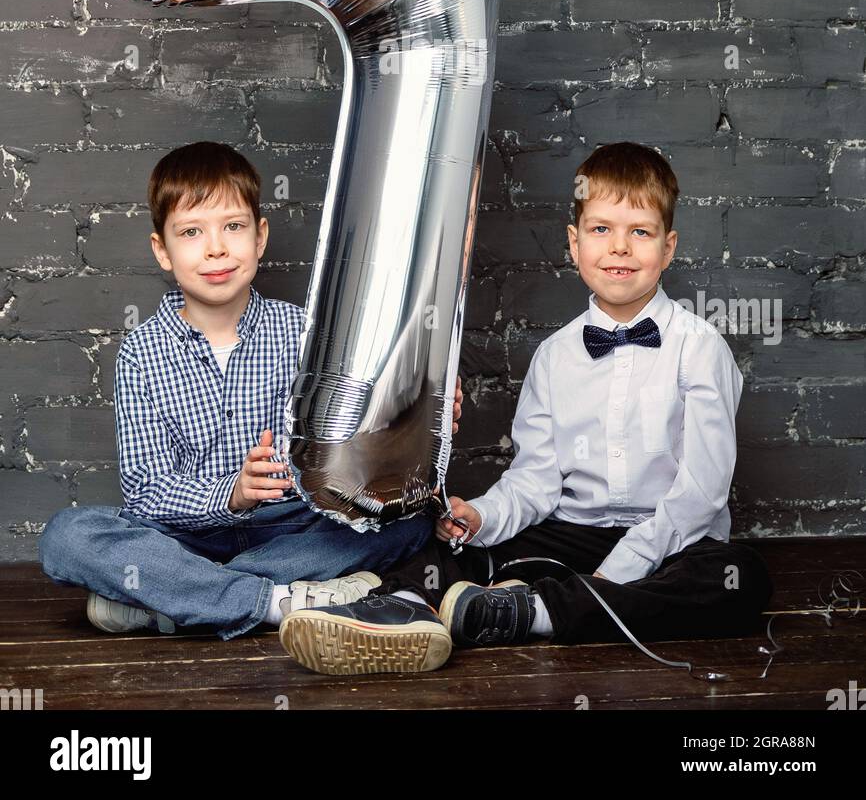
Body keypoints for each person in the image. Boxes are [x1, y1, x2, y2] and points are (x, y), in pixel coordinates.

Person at [278, 140, 773, 675]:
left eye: (641, 232)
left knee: (738, 577)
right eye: (601, 229)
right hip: (574, 533)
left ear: (668, 247)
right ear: (573, 242)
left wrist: (626, 564)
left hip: (673, 540)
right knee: (459, 549)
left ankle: (530, 611)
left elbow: (701, 493)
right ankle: (395, 607)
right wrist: (483, 515)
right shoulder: (554, 356)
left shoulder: (700, 348)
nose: (620, 248)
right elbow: (536, 480)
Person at [38, 141, 462, 641]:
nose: (216, 248)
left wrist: (417, 421)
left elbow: (357, 436)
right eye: (191, 232)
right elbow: (147, 492)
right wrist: (231, 492)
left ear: (260, 237)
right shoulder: (140, 352)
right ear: (163, 251)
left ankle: (177, 599)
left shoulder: (305, 334)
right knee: (67, 536)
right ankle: (275, 601)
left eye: (233, 227)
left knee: (406, 525)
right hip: (183, 540)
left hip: (292, 526)